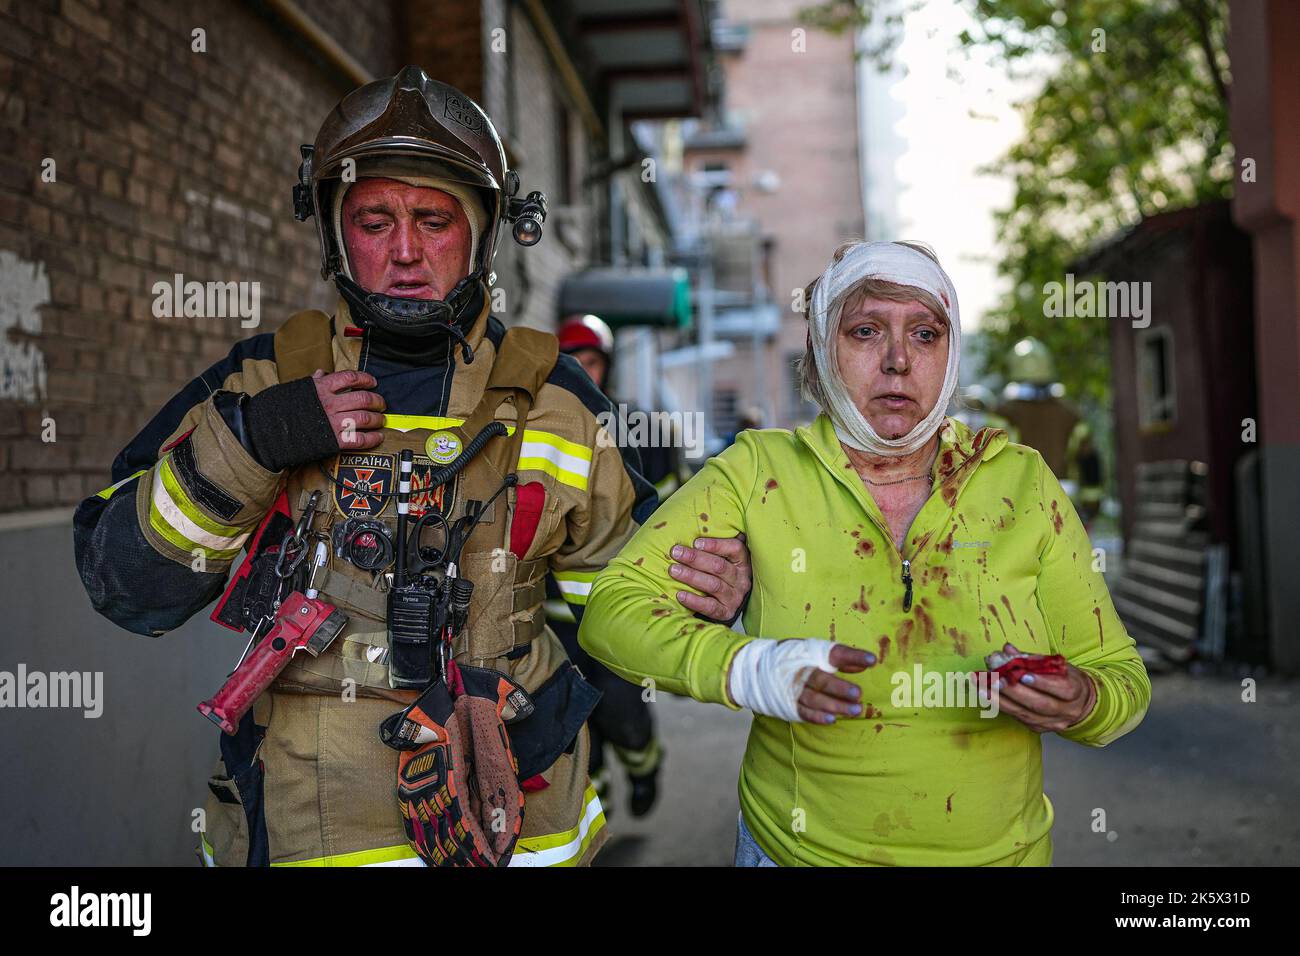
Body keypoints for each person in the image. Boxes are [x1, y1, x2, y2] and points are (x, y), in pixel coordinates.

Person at [73, 66, 746, 868]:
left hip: (520, 826)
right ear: (332, 231)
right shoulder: (260, 384)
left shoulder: (558, 402)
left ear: (483, 235)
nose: (403, 252)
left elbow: (627, 612)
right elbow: (127, 585)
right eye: (372, 220)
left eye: (433, 220)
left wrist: (707, 596)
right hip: (311, 827)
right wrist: (259, 440)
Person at [579, 239, 1151, 866]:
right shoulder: (757, 471)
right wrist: (748, 668)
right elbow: (612, 613)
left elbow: (1121, 679)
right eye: (866, 331)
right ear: (823, 351)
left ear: (950, 353)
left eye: (926, 334)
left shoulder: (1021, 482)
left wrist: (1083, 702)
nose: (899, 361)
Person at [547, 313, 720, 817]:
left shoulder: (647, 433)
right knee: (574, 722)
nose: (582, 372)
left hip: (624, 609)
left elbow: (679, 520)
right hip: (556, 619)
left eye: (592, 362)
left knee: (625, 714)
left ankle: (645, 767)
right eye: (571, 362)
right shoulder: (537, 432)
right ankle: (598, 802)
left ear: (609, 366)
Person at [997, 337, 1103, 525]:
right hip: (1066, 504)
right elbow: (1089, 460)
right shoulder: (1071, 414)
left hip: (1017, 505)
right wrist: (1092, 505)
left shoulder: (1003, 414)